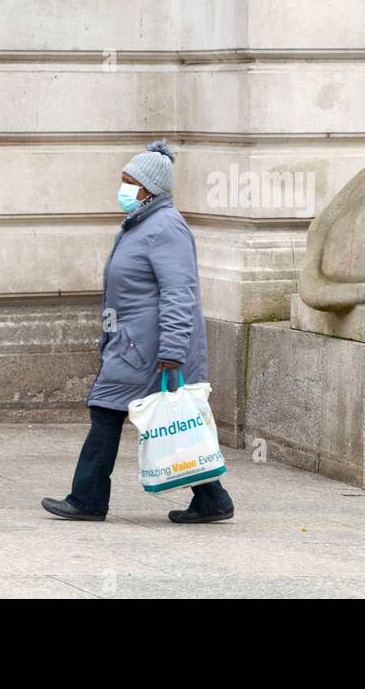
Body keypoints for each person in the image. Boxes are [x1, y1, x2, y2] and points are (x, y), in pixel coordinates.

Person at [42, 140, 235, 523]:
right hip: (134, 344)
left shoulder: (166, 227)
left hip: (151, 349)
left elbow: (180, 294)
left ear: (148, 188)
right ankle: (212, 498)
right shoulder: (142, 225)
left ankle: (87, 499)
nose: (123, 188)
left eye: (128, 181)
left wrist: (173, 350)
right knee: (156, 419)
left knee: (107, 411)